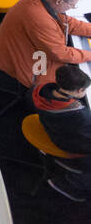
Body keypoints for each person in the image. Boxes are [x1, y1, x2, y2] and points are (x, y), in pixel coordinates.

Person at [0, 0, 88, 89]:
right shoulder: (39, 18)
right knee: (72, 87)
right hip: (21, 63)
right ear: (59, 1)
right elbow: (60, 54)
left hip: (22, 50)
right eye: (72, 5)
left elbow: (69, 23)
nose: (71, 8)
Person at [34, 64, 91, 200]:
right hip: (66, 141)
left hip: (52, 127)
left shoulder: (41, 89)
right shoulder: (78, 114)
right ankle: (71, 182)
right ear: (79, 90)